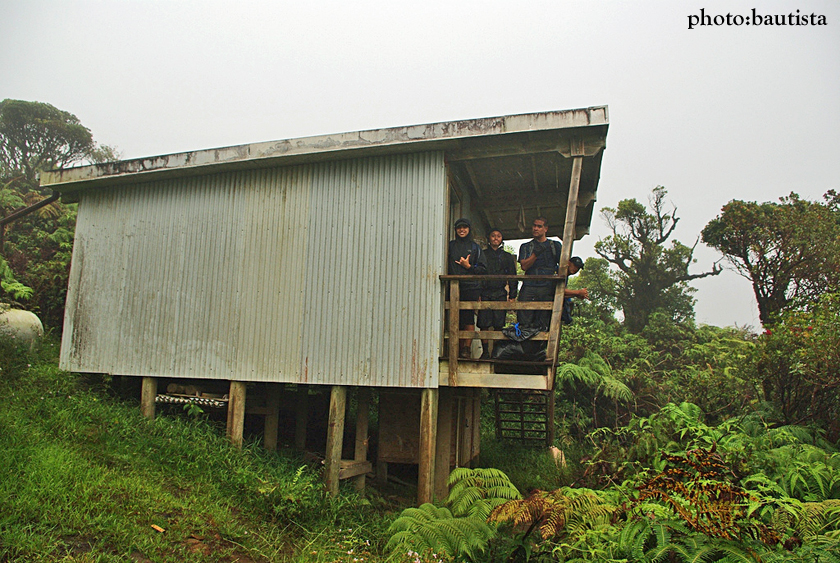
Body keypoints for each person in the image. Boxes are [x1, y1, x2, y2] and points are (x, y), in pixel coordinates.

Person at [448, 218, 487, 358]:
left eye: (464, 227)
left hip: (471, 287)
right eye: (459, 228)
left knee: (468, 318)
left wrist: (468, 266)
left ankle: (466, 349)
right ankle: (455, 349)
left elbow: (483, 269)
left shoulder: (475, 247)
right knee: (454, 318)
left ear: (469, 229)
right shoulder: (450, 246)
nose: (462, 230)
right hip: (453, 287)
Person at [478, 228, 518, 358]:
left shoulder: (506, 257)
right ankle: (485, 352)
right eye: (493, 235)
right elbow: (477, 274)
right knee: (483, 324)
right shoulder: (482, 254)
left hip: (500, 293)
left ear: (502, 239)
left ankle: (496, 352)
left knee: (498, 324)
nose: (495, 238)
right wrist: (477, 293)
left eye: (498, 236)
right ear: (489, 238)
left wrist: (512, 295)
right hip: (485, 292)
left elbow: (512, 276)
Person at [517, 216, 563, 330]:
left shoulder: (555, 246)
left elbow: (563, 264)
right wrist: (535, 255)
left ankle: (542, 347)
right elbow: (524, 266)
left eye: (539, 226)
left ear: (545, 229)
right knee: (524, 318)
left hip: (547, 286)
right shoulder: (526, 247)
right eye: (534, 226)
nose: (536, 229)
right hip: (530, 286)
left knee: (544, 320)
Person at [561, 256, 589, 324]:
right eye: (575, 266)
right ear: (569, 263)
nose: (576, 269)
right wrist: (578, 292)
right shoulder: (560, 272)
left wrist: (577, 295)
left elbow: (562, 294)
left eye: (578, 268)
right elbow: (557, 291)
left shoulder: (566, 277)